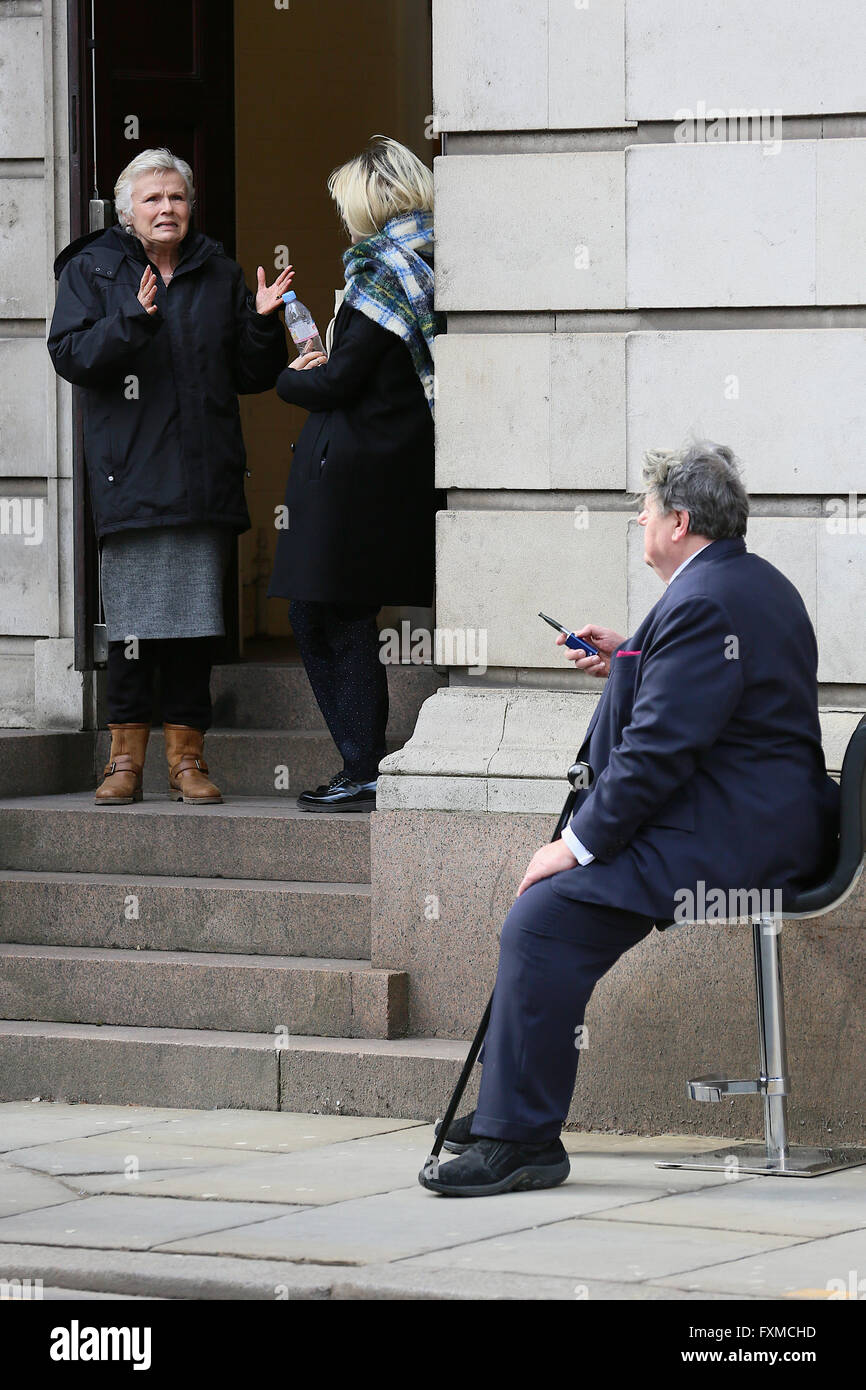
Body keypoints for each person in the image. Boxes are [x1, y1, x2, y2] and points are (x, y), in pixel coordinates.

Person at [421, 442, 840, 1197]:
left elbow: (657, 752)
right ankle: (505, 1108)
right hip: (746, 823)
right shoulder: (740, 582)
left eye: (644, 511)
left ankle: (521, 1141)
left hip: (736, 840)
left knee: (542, 918)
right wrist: (632, 656)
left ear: (680, 521)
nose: (637, 520)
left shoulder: (706, 599)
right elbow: (704, 704)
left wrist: (576, 845)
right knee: (545, 920)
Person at [48, 148, 290, 805]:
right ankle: (123, 764)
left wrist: (265, 323)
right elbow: (69, 354)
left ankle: (189, 763)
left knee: (193, 632)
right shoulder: (94, 269)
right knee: (131, 632)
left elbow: (249, 373)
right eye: (153, 199)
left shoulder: (218, 272)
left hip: (203, 481)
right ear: (128, 210)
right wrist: (131, 319)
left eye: (177, 198)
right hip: (131, 482)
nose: (167, 209)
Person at [268, 135, 442, 812]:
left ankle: (362, 765)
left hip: (355, 479)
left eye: (346, 204)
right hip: (391, 469)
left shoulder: (382, 271)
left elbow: (341, 380)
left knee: (327, 616)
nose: (344, 217)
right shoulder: (430, 260)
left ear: (371, 201)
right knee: (340, 615)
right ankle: (361, 763)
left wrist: (290, 379)